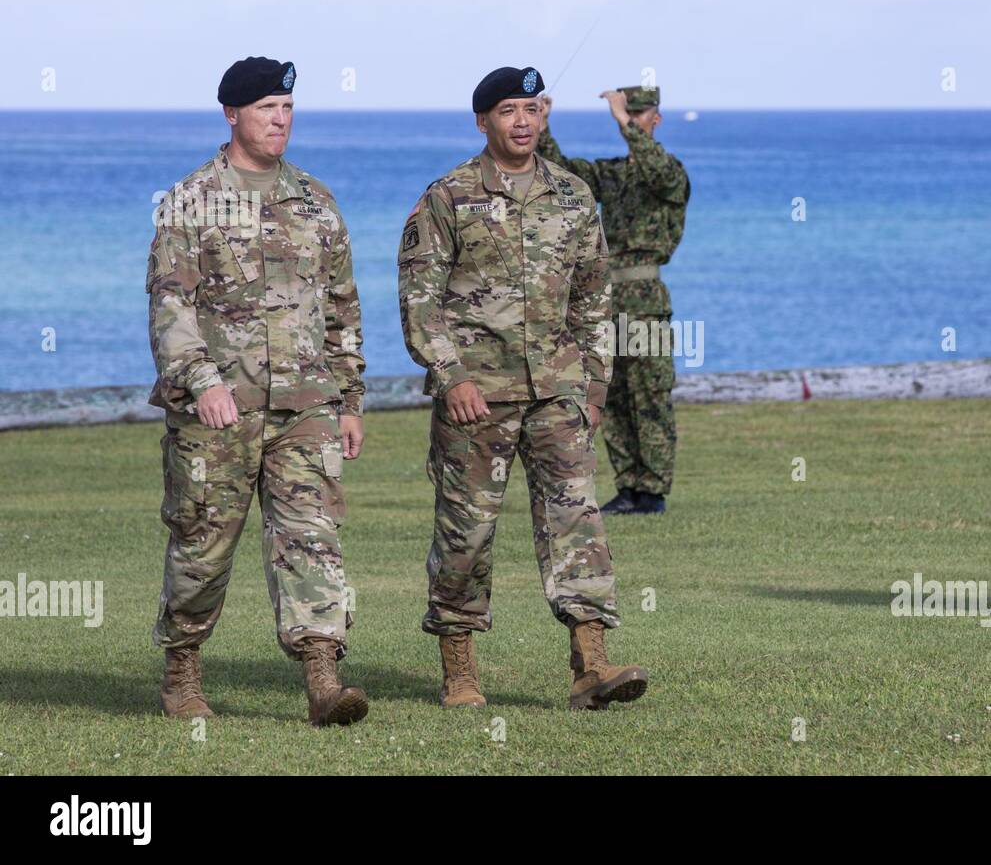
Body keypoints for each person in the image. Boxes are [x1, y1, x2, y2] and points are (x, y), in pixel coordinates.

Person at [399, 65, 648, 710]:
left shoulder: (572, 194)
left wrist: (595, 385)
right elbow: (419, 302)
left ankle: (591, 663)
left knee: (577, 523)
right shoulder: (447, 197)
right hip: (476, 396)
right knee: (467, 532)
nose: (523, 122)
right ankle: (459, 669)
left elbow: (594, 296)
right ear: (483, 120)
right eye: (508, 110)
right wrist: (449, 375)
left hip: (558, 392)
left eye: (533, 110)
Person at [146, 57, 368, 725]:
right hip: (219, 413)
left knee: (313, 539)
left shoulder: (316, 201)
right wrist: (204, 381)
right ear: (232, 114)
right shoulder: (191, 200)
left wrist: (350, 399)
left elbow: (342, 308)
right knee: (203, 548)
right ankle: (182, 672)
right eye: (268, 107)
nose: (280, 119)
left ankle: (324, 679)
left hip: (305, 407)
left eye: (288, 108)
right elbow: (169, 306)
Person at [538, 85, 689, 515]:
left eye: (639, 115)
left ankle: (653, 490)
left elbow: (656, 169)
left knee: (650, 393)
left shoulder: (670, 173)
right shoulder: (617, 174)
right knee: (612, 392)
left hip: (644, 300)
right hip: (606, 298)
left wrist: (622, 121)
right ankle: (629, 487)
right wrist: (544, 126)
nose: (632, 120)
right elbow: (564, 175)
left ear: (655, 119)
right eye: (629, 114)